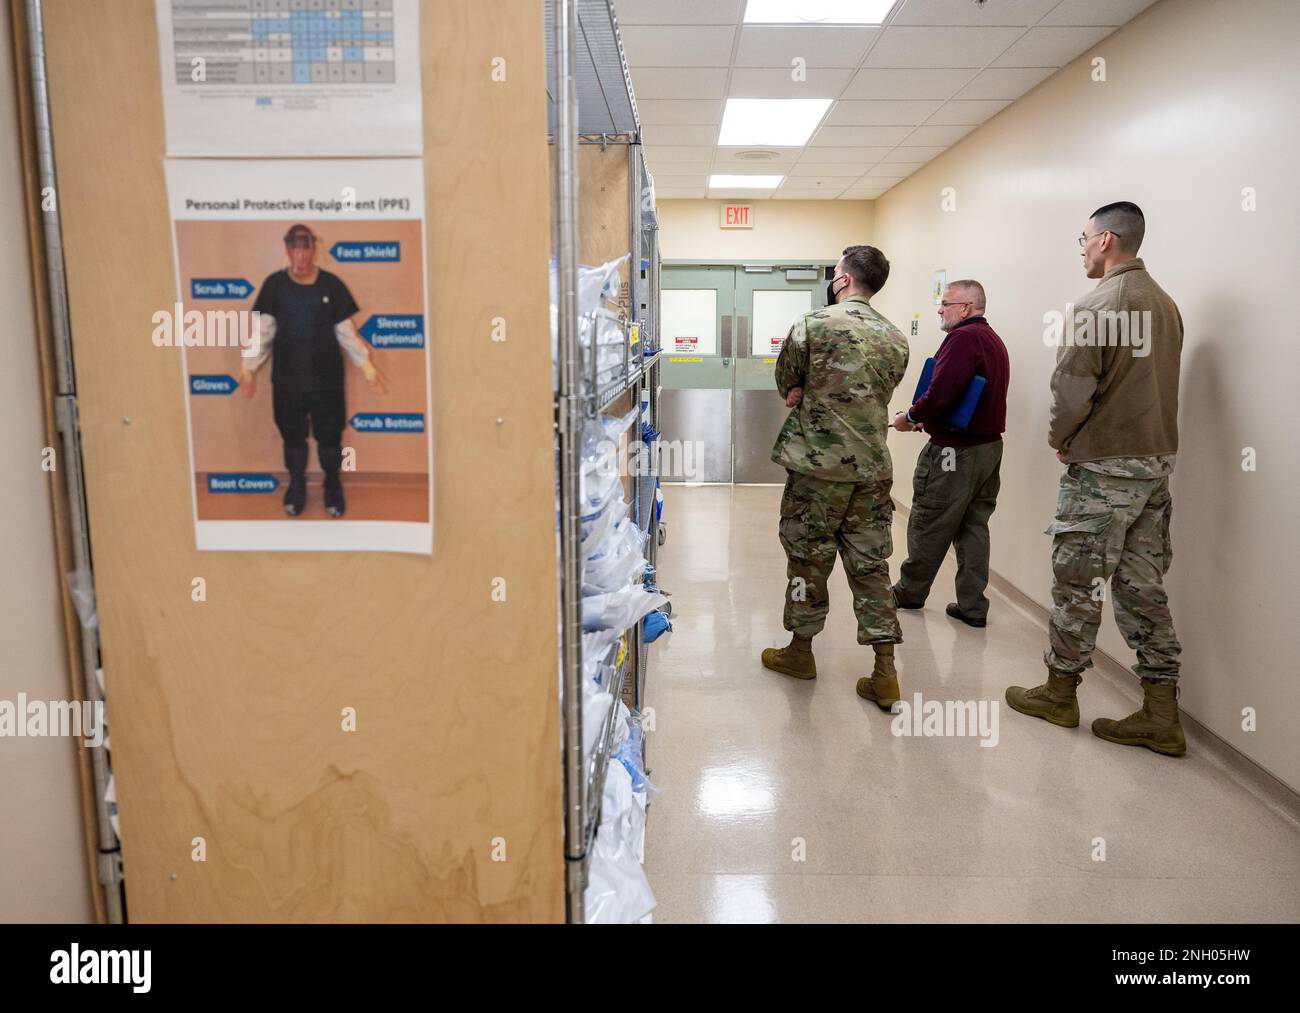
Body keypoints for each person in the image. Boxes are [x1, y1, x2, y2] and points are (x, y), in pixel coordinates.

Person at [1005, 201, 1187, 756]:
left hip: (1103, 470)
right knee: (1142, 587)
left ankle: (1060, 693)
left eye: (1084, 238)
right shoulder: (1165, 304)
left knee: (1077, 583)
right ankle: (1161, 712)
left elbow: (1069, 393)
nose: (1081, 248)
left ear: (1107, 240)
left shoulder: (1096, 305)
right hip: (1154, 468)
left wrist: (1063, 441)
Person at [761, 245, 910, 711]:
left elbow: (787, 381)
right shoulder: (895, 337)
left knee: (808, 559)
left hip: (818, 471)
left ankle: (800, 653)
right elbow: (880, 391)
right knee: (870, 566)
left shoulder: (813, 324)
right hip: (871, 469)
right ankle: (885, 672)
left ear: (842, 279)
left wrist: (802, 390)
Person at [239, 224, 386, 518]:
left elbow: (346, 334)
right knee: (293, 439)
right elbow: (263, 332)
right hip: (288, 381)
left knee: (330, 439)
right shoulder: (274, 286)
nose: (301, 256)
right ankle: (296, 486)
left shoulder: (331, 285)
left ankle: (333, 485)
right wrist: (248, 367)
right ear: (287, 250)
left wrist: (366, 365)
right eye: (295, 249)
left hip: (326, 381)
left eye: (306, 249)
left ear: (313, 250)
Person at [890, 280, 1010, 628]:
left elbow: (942, 391)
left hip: (953, 451)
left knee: (929, 518)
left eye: (945, 303)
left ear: (967, 307)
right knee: (974, 527)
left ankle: (909, 591)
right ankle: (973, 606)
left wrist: (910, 416)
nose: (940, 310)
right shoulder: (992, 340)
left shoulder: (963, 339)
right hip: (988, 449)